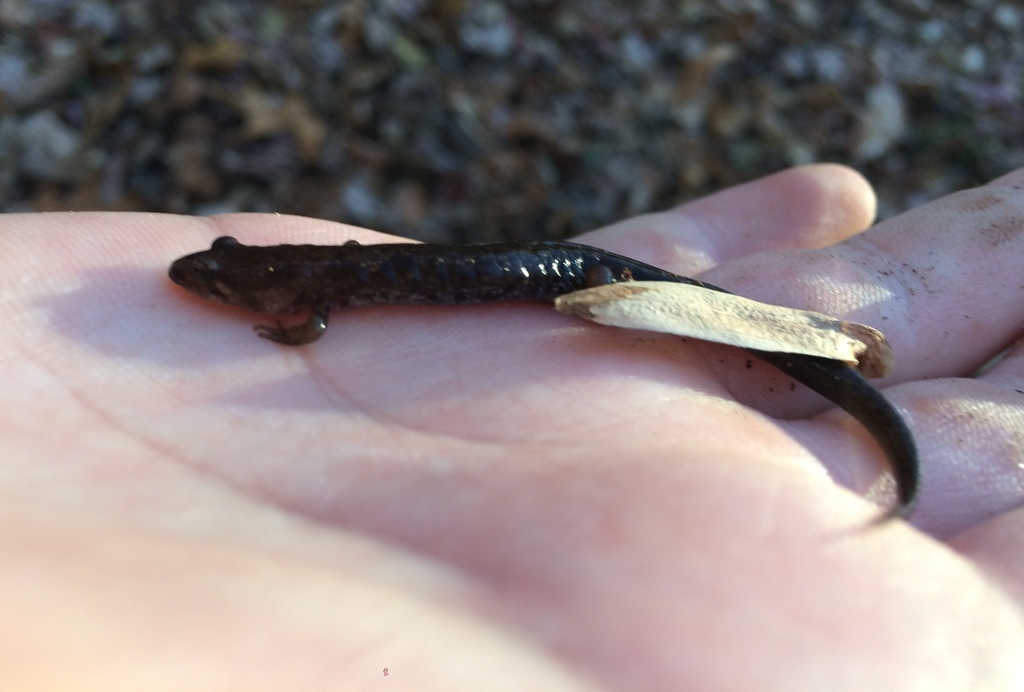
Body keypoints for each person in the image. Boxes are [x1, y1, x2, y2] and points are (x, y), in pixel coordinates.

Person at [2, 164, 1021, 690]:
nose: (204, 283)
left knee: (622, 291)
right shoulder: (314, 286)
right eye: (221, 276)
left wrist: (282, 329)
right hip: (548, 266)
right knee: (596, 279)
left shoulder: (312, 298)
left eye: (221, 276)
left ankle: (836, 385)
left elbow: (308, 317)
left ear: (264, 284)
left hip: (561, 276)